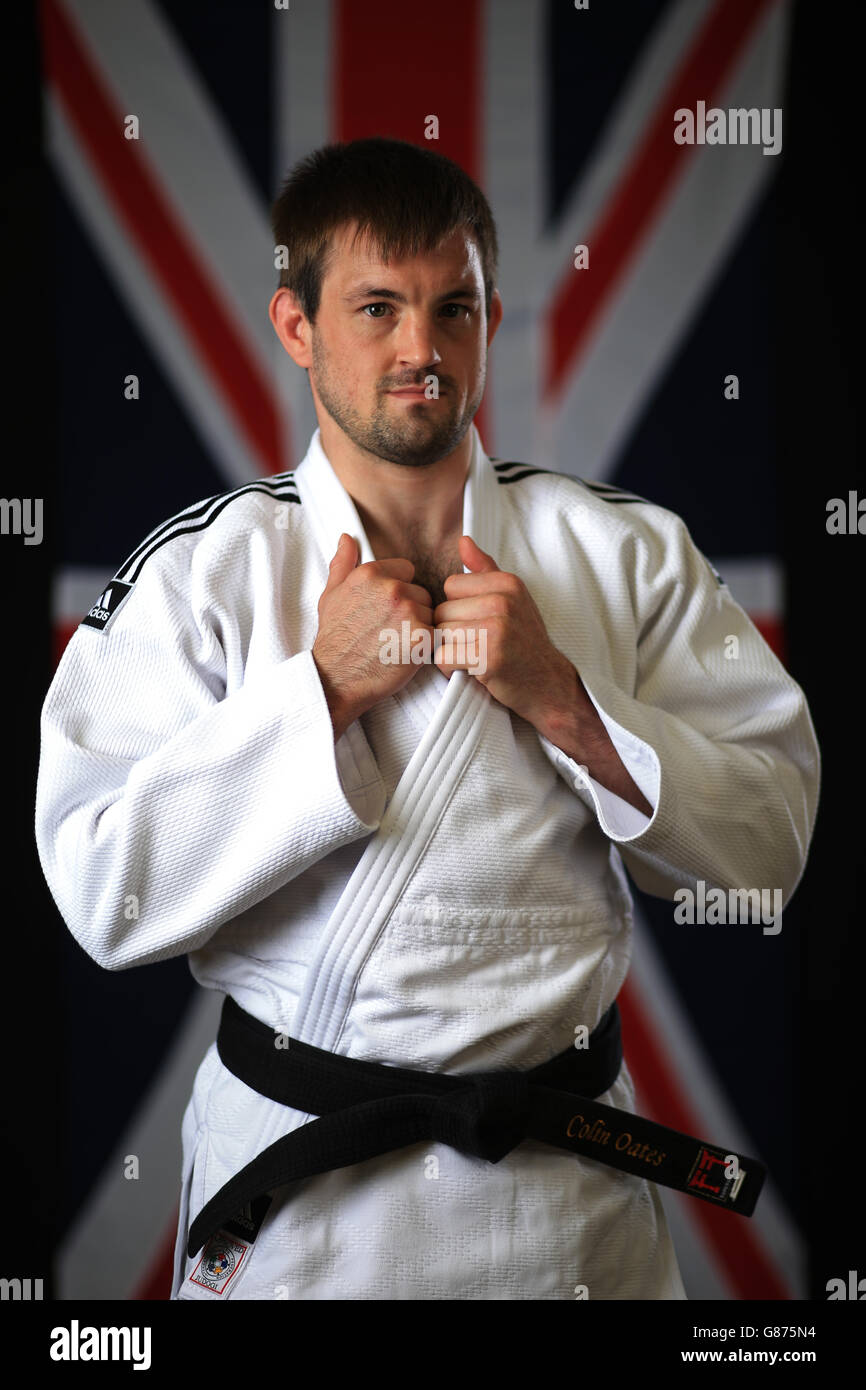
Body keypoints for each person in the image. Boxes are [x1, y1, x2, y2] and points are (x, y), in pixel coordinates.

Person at [35, 136, 820, 1301]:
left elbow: (766, 854)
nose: (421, 349)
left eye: (453, 307)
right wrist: (323, 690)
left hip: (569, 1208)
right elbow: (102, 891)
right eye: (375, 308)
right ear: (295, 326)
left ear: (492, 318)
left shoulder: (626, 550)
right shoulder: (206, 573)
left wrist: (562, 698)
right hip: (308, 1213)